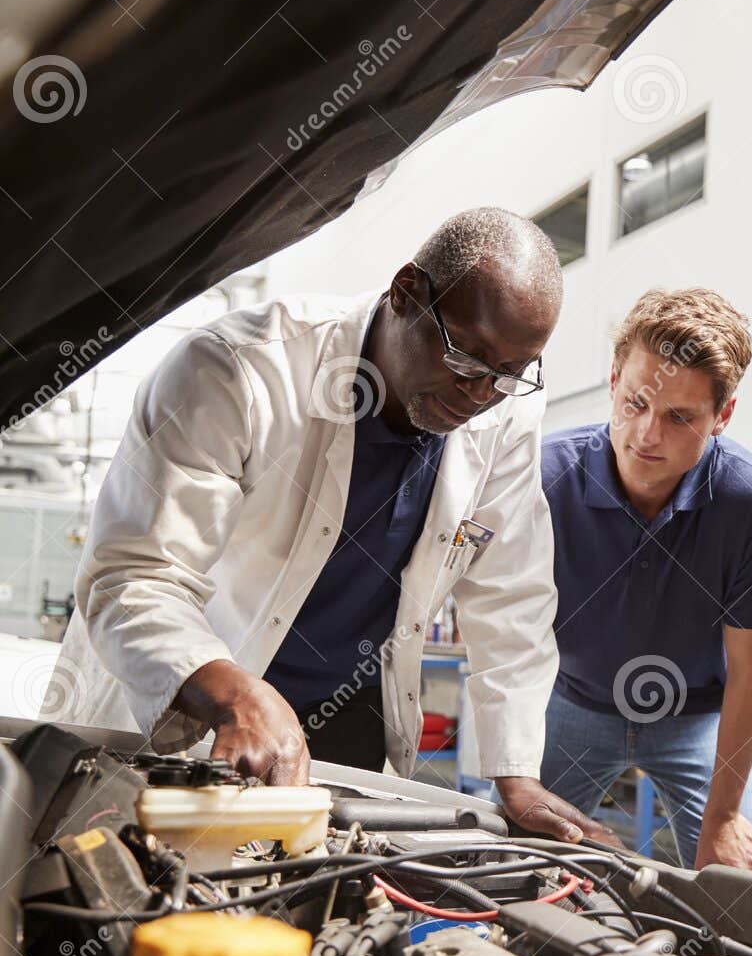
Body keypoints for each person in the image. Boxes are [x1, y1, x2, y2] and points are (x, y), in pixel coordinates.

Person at [52, 208, 612, 842]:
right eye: (467, 356)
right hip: (186, 701)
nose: (480, 393)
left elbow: (512, 599)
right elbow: (134, 574)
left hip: (346, 719)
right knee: (144, 895)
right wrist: (234, 695)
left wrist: (515, 775)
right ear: (406, 293)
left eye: (510, 372)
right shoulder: (238, 370)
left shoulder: (504, 414)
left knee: (323, 918)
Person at [538, 288, 752, 871]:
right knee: (516, 863)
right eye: (635, 403)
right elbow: (503, 632)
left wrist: (725, 819)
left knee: (738, 886)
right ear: (612, 382)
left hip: (700, 719)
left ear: (722, 416)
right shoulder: (547, 478)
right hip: (574, 703)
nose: (647, 435)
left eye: (680, 417)